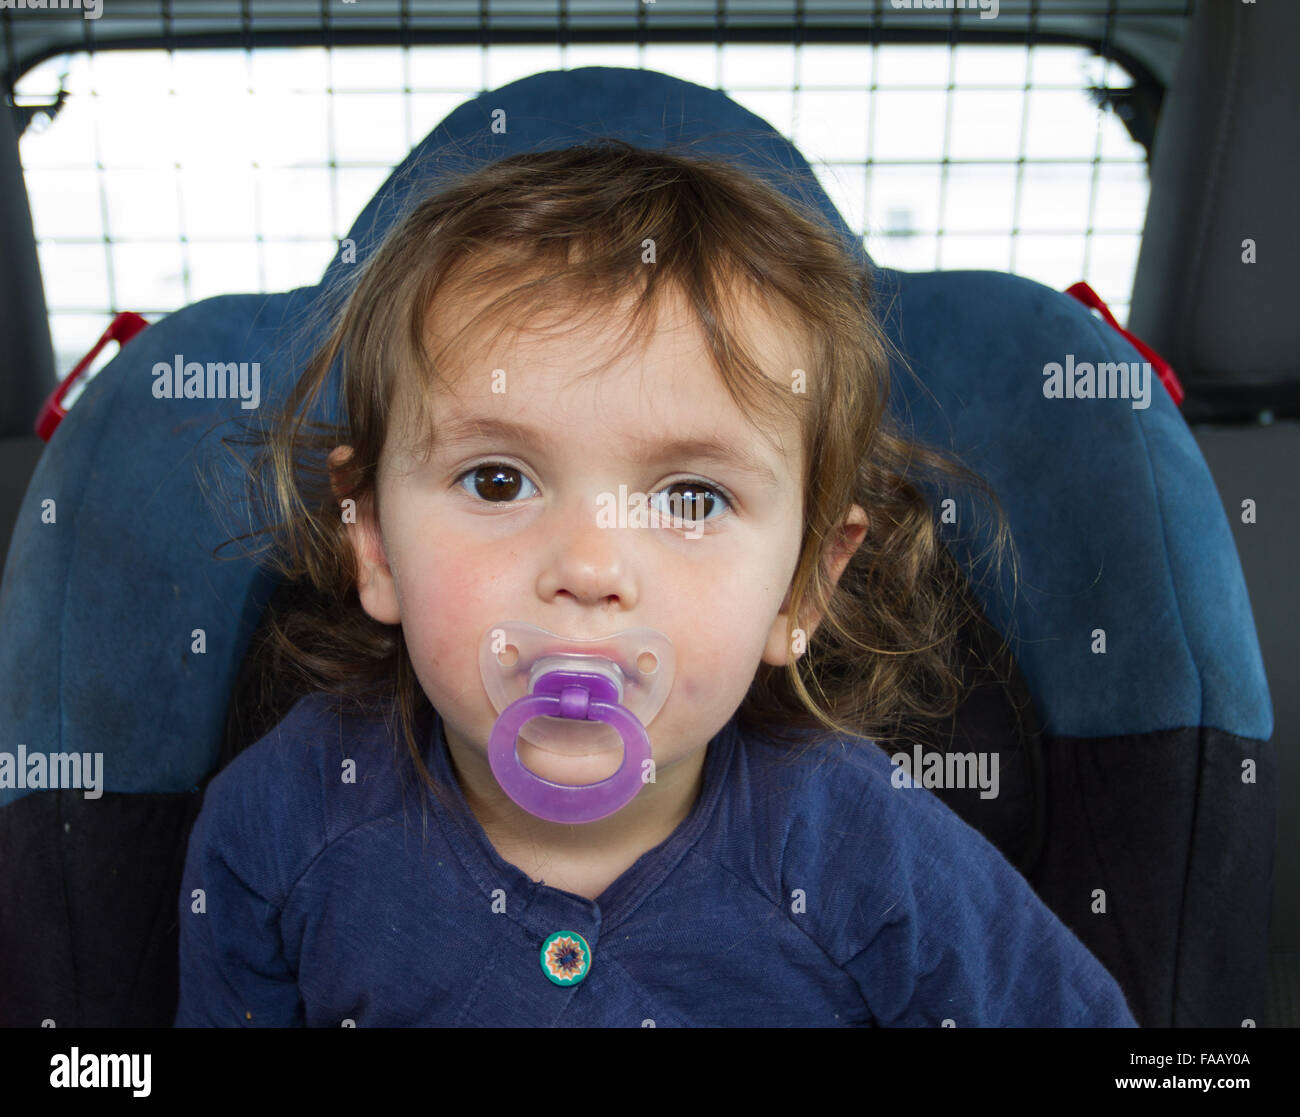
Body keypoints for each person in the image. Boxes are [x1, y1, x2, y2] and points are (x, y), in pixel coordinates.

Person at [174, 139, 1137, 1027]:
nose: (591, 568)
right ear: (374, 541)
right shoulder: (281, 825)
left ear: (802, 586)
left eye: (691, 498)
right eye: (498, 480)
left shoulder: (865, 852)